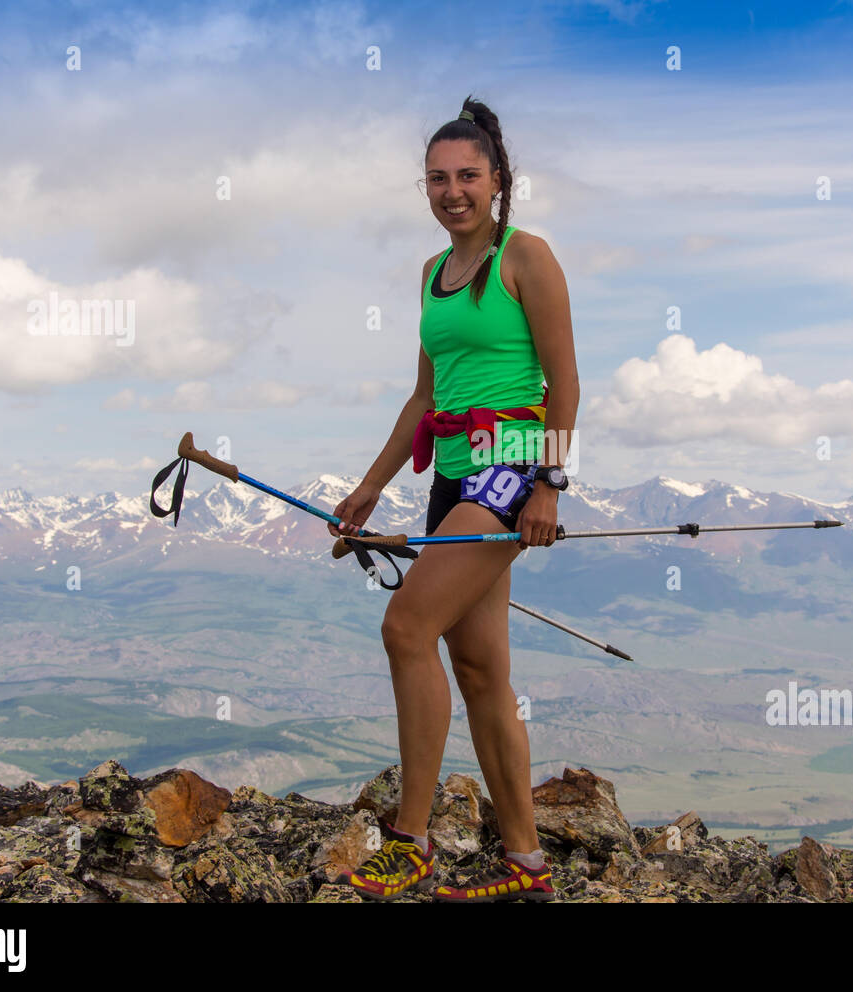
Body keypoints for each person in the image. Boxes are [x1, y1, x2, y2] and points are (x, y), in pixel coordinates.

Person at [328, 97, 579, 902]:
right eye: (437, 178)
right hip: (449, 475)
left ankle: (412, 840)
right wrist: (368, 488)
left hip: (508, 471)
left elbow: (564, 385)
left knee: (406, 626)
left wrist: (547, 482)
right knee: (478, 669)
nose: (452, 190)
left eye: (467, 175)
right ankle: (526, 866)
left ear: (498, 181)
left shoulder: (527, 257)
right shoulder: (433, 276)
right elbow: (421, 398)